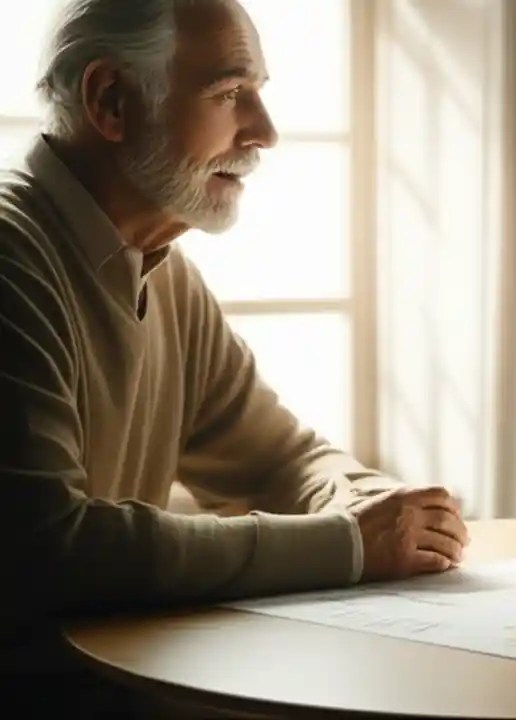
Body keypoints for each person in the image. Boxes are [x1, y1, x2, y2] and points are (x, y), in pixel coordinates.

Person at [0, 0, 468, 701]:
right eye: (228, 93)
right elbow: (52, 549)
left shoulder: (164, 268)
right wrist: (353, 544)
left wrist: (382, 505)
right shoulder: (12, 260)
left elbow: (280, 460)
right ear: (111, 100)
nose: (266, 131)